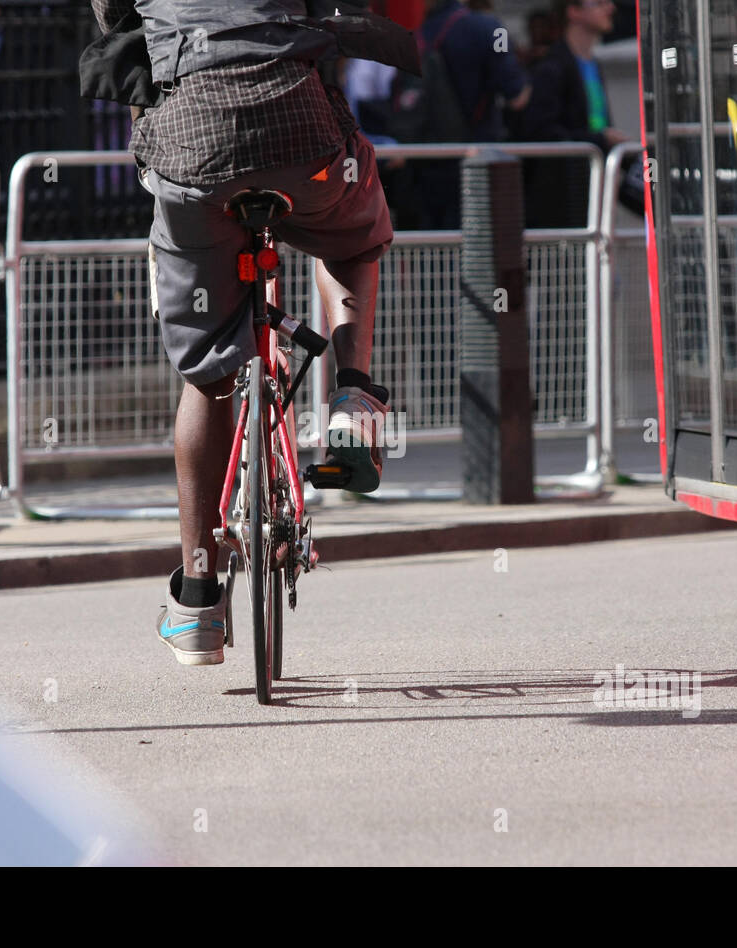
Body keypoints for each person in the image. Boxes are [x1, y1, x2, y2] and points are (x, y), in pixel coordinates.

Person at [87, 1, 407, 666]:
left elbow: (112, 17)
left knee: (207, 373)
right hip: (303, 137)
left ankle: (199, 601)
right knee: (352, 235)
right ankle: (352, 400)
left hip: (192, 148)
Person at [412, 0, 531, 228]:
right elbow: (517, 96)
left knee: (433, 251)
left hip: (426, 162)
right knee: (480, 247)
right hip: (478, 162)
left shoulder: (420, 33)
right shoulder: (493, 29)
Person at [517, 0, 632, 228]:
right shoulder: (552, 67)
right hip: (563, 199)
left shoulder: (592, 64)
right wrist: (600, 139)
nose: (610, 8)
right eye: (598, 3)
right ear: (574, 11)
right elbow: (542, 132)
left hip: (591, 188)